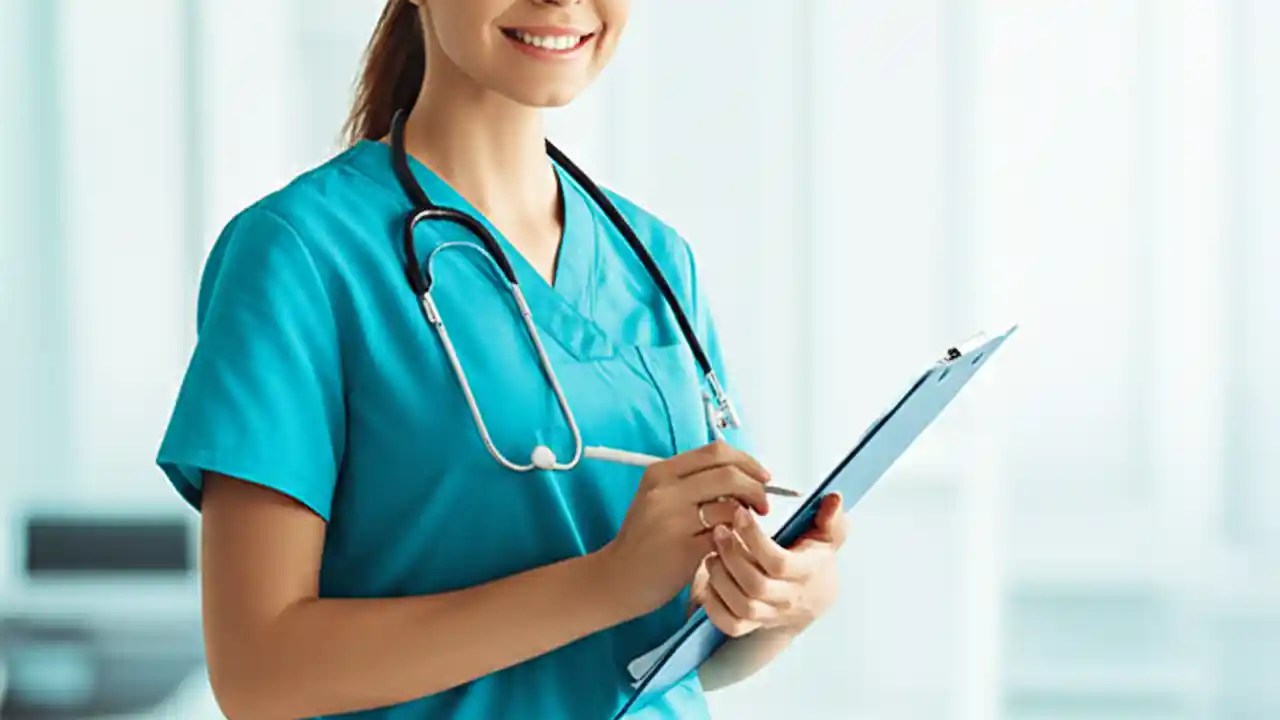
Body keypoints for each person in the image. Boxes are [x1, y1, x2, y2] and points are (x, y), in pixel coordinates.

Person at [157, 1, 849, 717]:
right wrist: (604, 583)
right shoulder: (298, 256)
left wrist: (786, 600)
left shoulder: (656, 260)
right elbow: (259, 673)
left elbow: (672, 653)